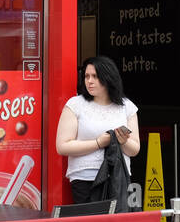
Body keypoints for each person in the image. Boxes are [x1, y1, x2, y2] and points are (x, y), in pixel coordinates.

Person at [55, 56, 141, 204]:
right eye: (86, 76)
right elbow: (62, 146)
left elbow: (135, 149)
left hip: (117, 178)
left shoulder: (127, 107)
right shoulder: (75, 104)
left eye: (95, 76)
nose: (89, 81)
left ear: (108, 77)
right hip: (85, 178)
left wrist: (122, 141)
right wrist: (98, 143)